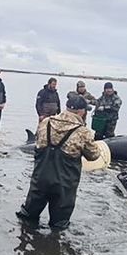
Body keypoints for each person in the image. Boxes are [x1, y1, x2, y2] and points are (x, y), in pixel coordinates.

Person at [16, 94, 102, 229]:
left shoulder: (46, 122)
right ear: (81, 111)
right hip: (64, 184)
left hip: (41, 178)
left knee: (27, 216)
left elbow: (39, 141)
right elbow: (94, 156)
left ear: (66, 108)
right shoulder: (83, 132)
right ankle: (53, 246)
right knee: (59, 225)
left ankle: (25, 242)